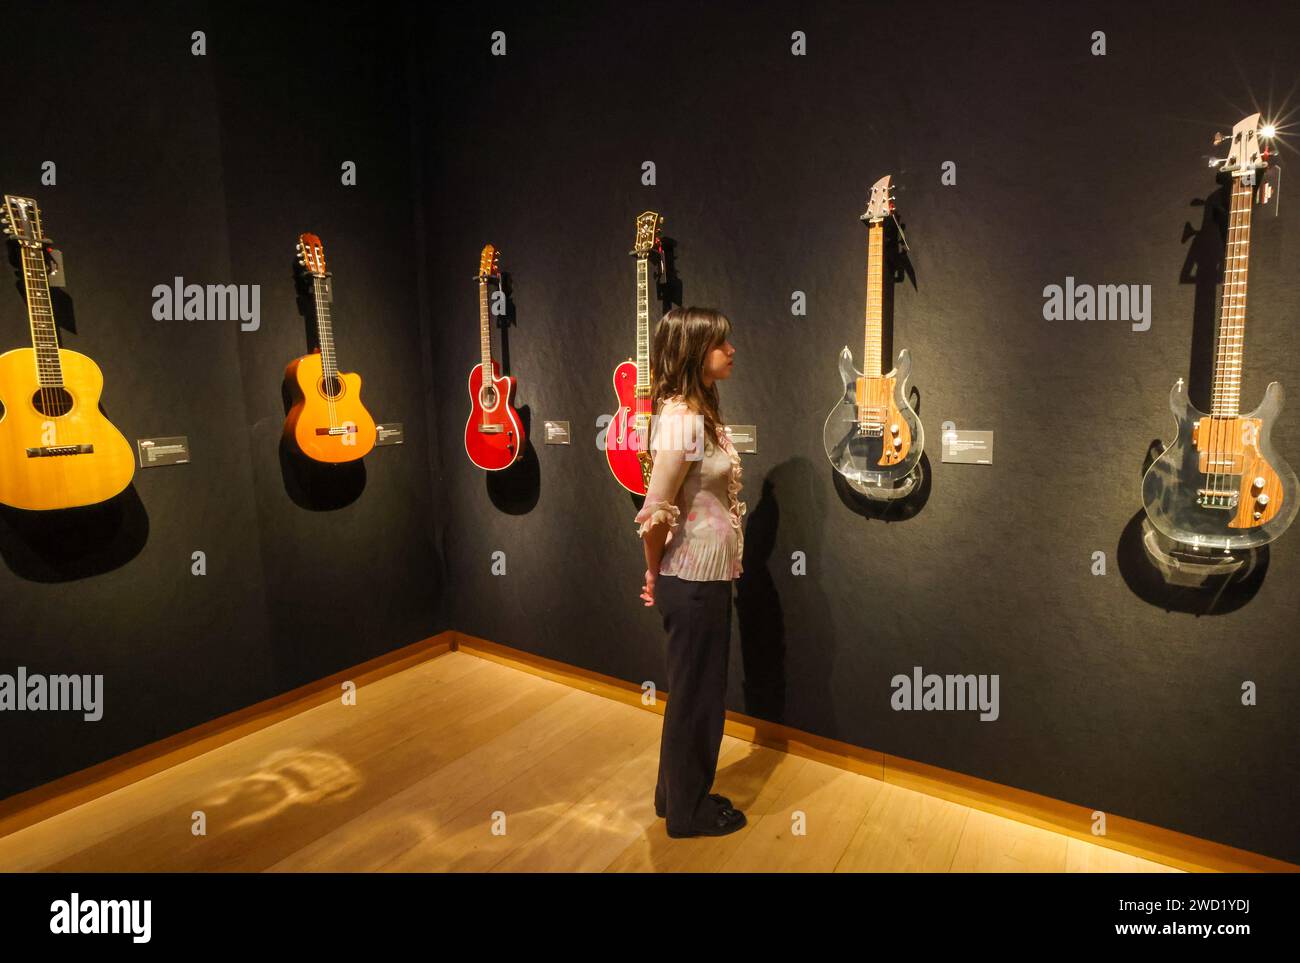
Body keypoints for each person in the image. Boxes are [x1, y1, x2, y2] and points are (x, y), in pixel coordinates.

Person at [634, 306, 747, 838]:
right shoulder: (683, 421)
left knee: (694, 695)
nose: (730, 351)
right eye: (721, 344)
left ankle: (673, 796)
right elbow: (656, 507)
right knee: (697, 700)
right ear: (695, 352)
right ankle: (688, 812)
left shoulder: (698, 413)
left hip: (704, 578)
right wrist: (654, 572)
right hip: (692, 580)